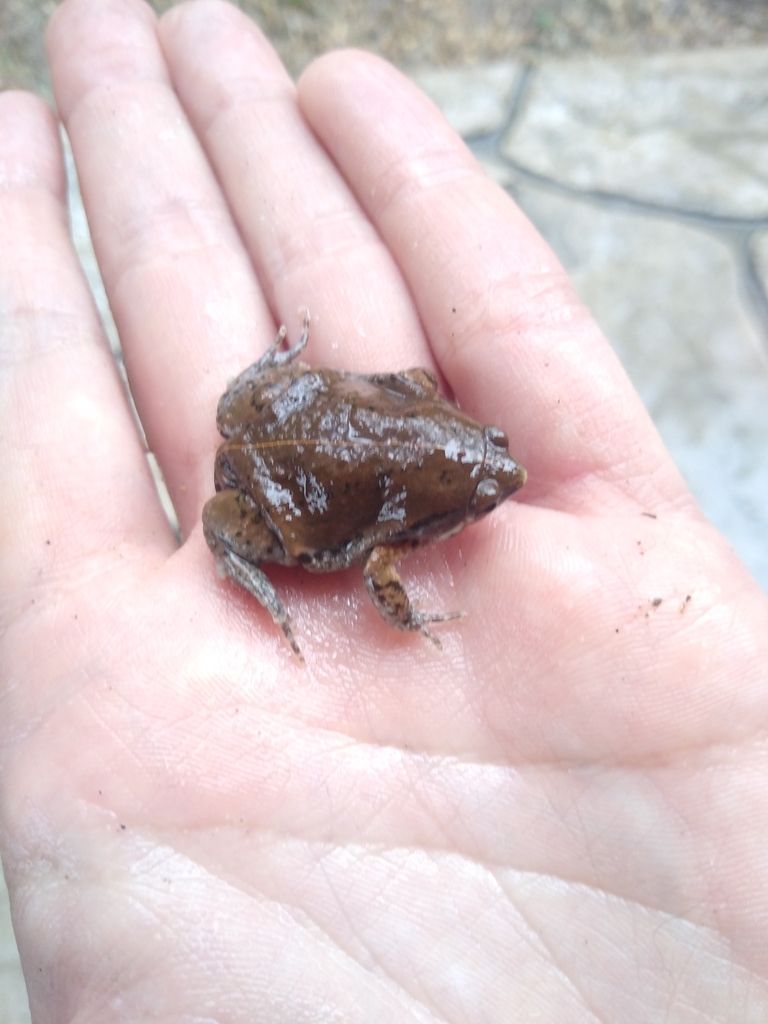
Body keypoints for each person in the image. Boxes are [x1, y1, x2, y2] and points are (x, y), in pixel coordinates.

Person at [1, 0, 767, 1018]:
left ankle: (278, 396)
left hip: (314, 418)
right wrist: (395, 619)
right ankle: (246, 558)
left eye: (492, 467)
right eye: (491, 476)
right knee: (243, 510)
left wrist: (316, 381)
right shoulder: (406, 521)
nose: (503, 475)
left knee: (262, 408)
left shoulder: (427, 414)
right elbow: (376, 571)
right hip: (282, 492)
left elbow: (404, 377)